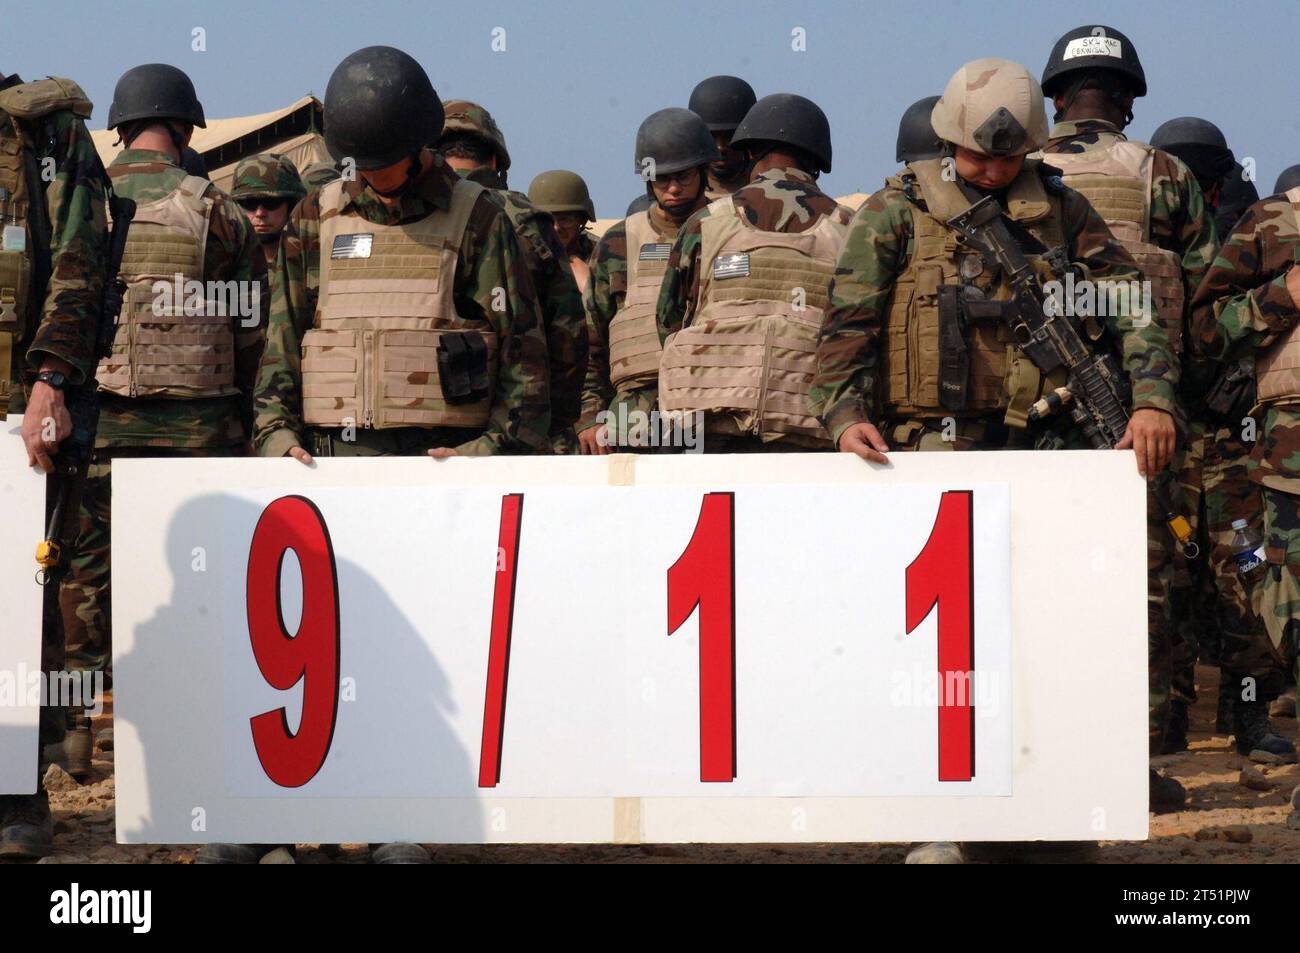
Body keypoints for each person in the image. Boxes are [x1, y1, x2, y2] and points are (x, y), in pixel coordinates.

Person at [810, 59, 1181, 853]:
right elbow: (845, 327)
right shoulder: (896, 213)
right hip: (927, 453)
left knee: (1043, 631)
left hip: (1043, 451)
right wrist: (842, 415)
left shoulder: (1061, 209)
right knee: (931, 644)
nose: (992, 171)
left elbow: (1130, 305)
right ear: (949, 141)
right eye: (978, 158)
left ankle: (1047, 815)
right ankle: (937, 819)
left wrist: (1152, 397)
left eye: (1008, 160)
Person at [52, 62, 267, 803]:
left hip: (98, 429)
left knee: (85, 575)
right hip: (196, 435)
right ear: (184, 127)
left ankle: (80, 728)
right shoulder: (221, 211)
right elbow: (251, 334)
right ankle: (181, 731)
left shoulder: (80, 201)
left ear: (120, 125)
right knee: (192, 582)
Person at [1036, 24, 1245, 776]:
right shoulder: (1164, 173)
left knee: (1034, 572)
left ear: (1054, 98)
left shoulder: (1018, 173)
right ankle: (1142, 752)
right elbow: (1205, 300)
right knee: (1144, 574)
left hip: (1033, 413)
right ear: (1127, 101)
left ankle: (1044, 748)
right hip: (1145, 410)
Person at [253, 46, 550, 468]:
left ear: (417, 143)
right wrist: (275, 433)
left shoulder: (478, 218)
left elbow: (524, 353)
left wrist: (492, 449)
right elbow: (281, 340)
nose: (375, 177)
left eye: (386, 164)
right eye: (365, 166)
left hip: (444, 463)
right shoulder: (315, 217)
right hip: (332, 462)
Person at [1149, 117, 1292, 749]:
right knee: (1173, 568)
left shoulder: (1246, 222)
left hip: (1238, 438)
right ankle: (1172, 714)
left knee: (1249, 565)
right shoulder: (1142, 237)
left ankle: (1249, 710)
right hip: (1170, 433)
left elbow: (1217, 326)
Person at [0, 69, 109, 860]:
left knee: (20, 607)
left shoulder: (43, 133)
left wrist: (51, 378)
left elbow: (80, 260)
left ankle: (16, 794)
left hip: (15, 414)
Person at [656, 93, 853, 451]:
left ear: (750, 154)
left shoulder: (705, 222)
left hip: (709, 426)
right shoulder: (849, 229)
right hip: (809, 430)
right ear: (818, 161)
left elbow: (669, 321)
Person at [1191, 185, 1300, 753]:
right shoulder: (1270, 224)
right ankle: (1243, 711)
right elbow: (1205, 328)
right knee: (1256, 574)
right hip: (1263, 447)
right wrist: (1285, 294)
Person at [437, 101, 586, 453]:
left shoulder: (411, 215)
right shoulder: (528, 219)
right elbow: (569, 334)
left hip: (430, 424)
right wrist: (552, 423)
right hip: (517, 429)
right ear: (494, 162)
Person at [578, 107, 715, 454]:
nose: (672, 188)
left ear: (703, 170)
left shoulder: (729, 229)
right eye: (661, 178)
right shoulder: (619, 242)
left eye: (683, 176)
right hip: (631, 420)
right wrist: (591, 416)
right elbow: (589, 341)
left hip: (713, 415)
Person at [229, 153, 307, 267]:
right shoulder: (226, 266)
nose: (260, 213)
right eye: (249, 203)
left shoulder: (309, 262)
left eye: (271, 202)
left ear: (292, 205)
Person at [528, 169, 598, 294]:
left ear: (582, 220)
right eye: (547, 220)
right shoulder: (525, 255)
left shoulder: (599, 255)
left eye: (565, 220)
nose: (556, 228)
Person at [688, 75, 757, 200]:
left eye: (730, 136)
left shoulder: (768, 197)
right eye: (711, 137)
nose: (721, 148)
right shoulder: (678, 202)